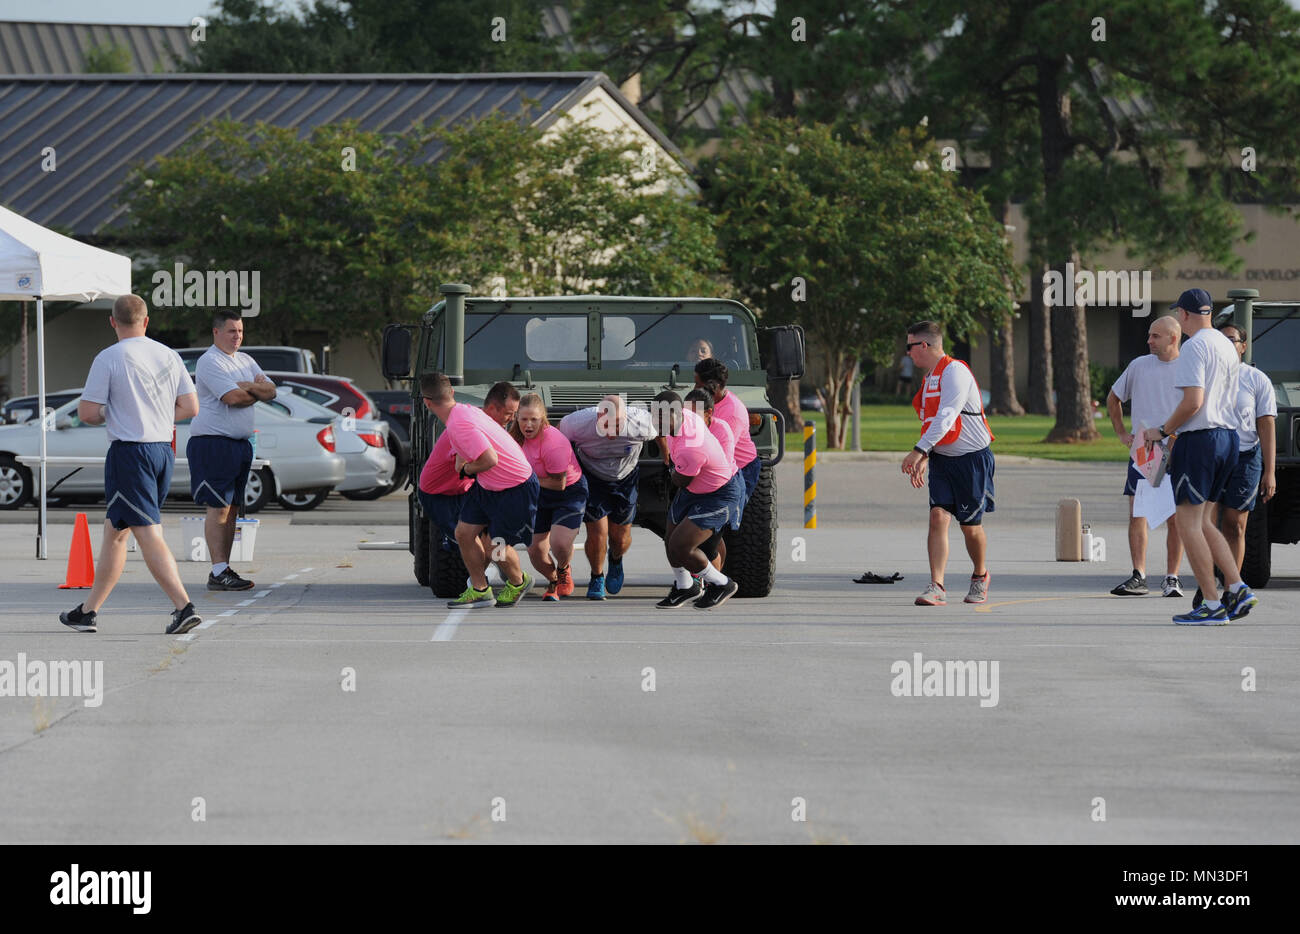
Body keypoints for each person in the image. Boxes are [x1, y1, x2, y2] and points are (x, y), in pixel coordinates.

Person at [59, 294, 203, 635]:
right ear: (146, 321)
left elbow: (87, 413)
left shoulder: (109, 357)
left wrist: (117, 412)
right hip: (162, 451)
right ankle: (88, 611)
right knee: (115, 534)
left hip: (130, 454)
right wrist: (154, 416)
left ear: (112, 321)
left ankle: (184, 606)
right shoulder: (168, 355)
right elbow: (191, 407)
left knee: (147, 531)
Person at [1141, 289, 1257, 625]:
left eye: (1179, 313)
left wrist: (1162, 431)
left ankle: (1210, 603)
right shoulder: (1224, 344)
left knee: (1188, 524)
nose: (1178, 318)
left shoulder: (1194, 346)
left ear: (1186, 314)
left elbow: (1193, 402)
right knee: (1206, 522)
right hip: (1228, 439)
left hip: (1201, 440)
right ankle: (1236, 587)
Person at [420, 372, 538, 609]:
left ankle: (518, 582)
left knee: (495, 545)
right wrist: (465, 468)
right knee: (464, 533)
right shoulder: (465, 411)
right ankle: (480, 589)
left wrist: (466, 471)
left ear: (426, 402)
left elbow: (490, 459)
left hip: (515, 486)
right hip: (489, 486)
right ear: (452, 392)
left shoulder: (458, 424)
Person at [899, 321, 996, 606]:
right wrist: (927, 454)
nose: (908, 354)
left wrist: (918, 451)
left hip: (972, 461)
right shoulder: (929, 378)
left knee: (970, 528)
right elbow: (931, 422)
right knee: (938, 516)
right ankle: (937, 586)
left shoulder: (955, 372)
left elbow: (948, 415)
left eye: (910, 346)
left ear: (924, 346)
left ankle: (980, 576)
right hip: (943, 460)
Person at [187, 310, 277, 592]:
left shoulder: (246, 360)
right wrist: (255, 390)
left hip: (239, 444)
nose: (237, 336)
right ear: (216, 332)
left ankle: (224, 568)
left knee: (234, 508)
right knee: (218, 508)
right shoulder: (210, 362)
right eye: (231, 331)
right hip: (214, 443)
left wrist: (250, 385)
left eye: (240, 331)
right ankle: (217, 570)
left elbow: (272, 391)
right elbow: (233, 398)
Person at [1192, 322, 1277, 606]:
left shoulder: (1255, 379)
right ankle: (1207, 585)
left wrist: (1270, 471)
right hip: (1213, 453)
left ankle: (1232, 588)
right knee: (1204, 522)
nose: (1227, 344)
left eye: (1233, 340)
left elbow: (1266, 426)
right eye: (1222, 339)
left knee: (1234, 525)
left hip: (1245, 457)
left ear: (1243, 346)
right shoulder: (1207, 375)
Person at [1105, 315, 1186, 597]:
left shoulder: (1189, 367)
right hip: (1145, 451)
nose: (1149, 340)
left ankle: (1172, 577)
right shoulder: (1139, 365)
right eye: (1150, 335)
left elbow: (1197, 407)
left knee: (1175, 517)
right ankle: (1138, 574)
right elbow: (1113, 399)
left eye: (1156, 336)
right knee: (1138, 513)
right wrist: (1121, 434)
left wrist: (1174, 437)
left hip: (1179, 448)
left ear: (1173, 338)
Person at [557, 394, 658, 599]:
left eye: (618, 423)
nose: (613, 430)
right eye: (607, 424)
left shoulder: (642, 423)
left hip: (625, 477)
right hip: (592, 476)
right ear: (598, 416)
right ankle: (597, 576)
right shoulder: (576, 423)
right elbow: (558, 440)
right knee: (597, 532)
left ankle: (616, 558)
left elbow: (664, 434)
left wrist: (668, 459)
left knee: (620, 538)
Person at [653, 390, 745, 610]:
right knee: (670, 537)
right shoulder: (685, 415)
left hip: (719, 494)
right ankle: (685, 586)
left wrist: (672, 467)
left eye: (662, 419)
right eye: (655, 416)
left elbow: (679, 480)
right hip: (696, 490)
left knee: (681, 545)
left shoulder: (690, 448)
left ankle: (722, 583)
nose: (657, 423)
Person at [511, 393, 588, 601]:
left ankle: (564, 569)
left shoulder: (553, 442)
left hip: (567, 492)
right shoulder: (513, 437)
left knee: (559, 544)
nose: (528, 425)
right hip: (537, 492)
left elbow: (558, 483)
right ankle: (554, 579)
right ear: (516, 417)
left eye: (534, 419)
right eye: (524, 419)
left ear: (542, 418)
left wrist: (526, 479)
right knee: (534, 549)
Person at [694, 358, 761, 509]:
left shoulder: (732, 413)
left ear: (714, 386)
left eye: (699, 384)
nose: (695, 388)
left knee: (724, 516)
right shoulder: (705, 400)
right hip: (712, 464)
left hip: (740, 469)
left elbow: (720, 456)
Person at [684, 387, 737, 571]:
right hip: (696, 487)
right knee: (708, 539)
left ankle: (713, 584)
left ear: (709, 413)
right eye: (686, 413)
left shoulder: (721, 429)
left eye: (694, 414)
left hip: (721, 489)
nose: (689, 419)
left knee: (709, 544)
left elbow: (725, 468)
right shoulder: (685, 427)